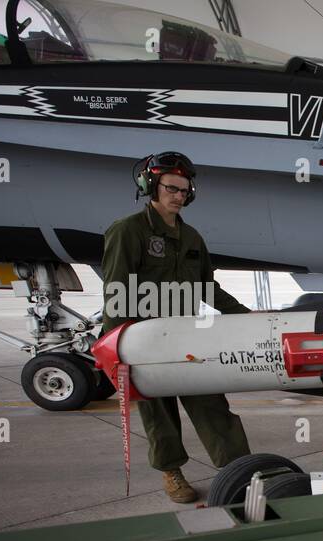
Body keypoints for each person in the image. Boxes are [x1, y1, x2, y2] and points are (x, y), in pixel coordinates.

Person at [100, 151, 251, 503]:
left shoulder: (192, 237)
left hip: (186, 336)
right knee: (158, 413)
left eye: (184, 190)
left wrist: (246, 315)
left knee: (212, 405)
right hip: (143, 338)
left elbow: (207, 288)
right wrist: (114, 346)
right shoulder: (127, 231)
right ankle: (172, 473)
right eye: (171, 188)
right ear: (151, 186)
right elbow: (116, 290)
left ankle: (240, 469)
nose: (179, 196)